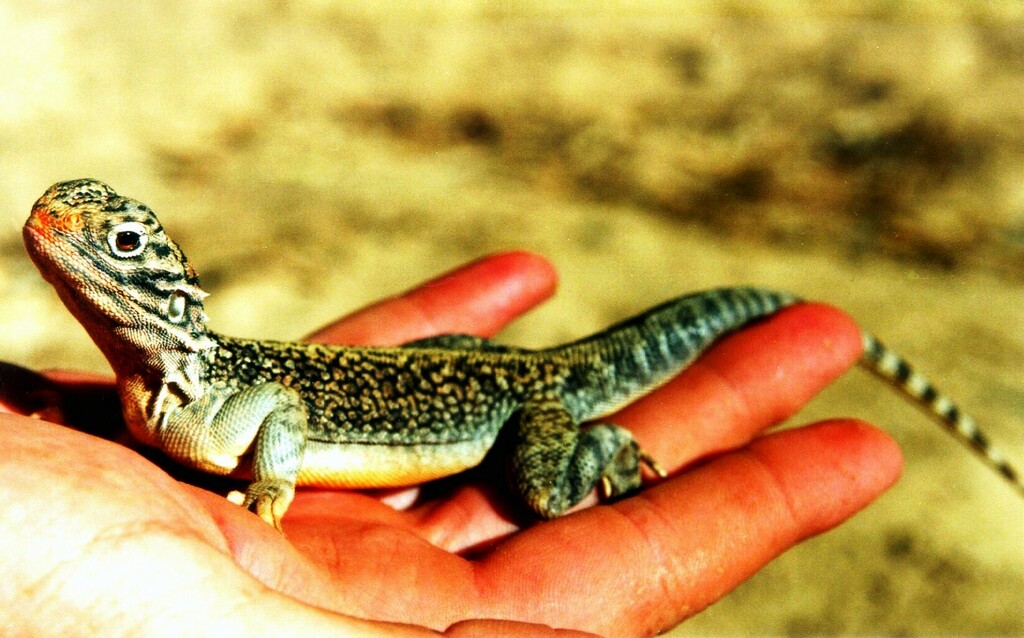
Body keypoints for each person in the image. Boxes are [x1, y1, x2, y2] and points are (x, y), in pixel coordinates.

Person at [0, 251, 901, 637]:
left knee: (544, 494)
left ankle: (606, 451)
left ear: (169, 289)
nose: (64, 238)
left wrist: (273, 489)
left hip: (520, 400)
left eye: (120, 243)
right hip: (478, 379)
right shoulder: (158, 394)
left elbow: (280, 407)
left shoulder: (227, 397)